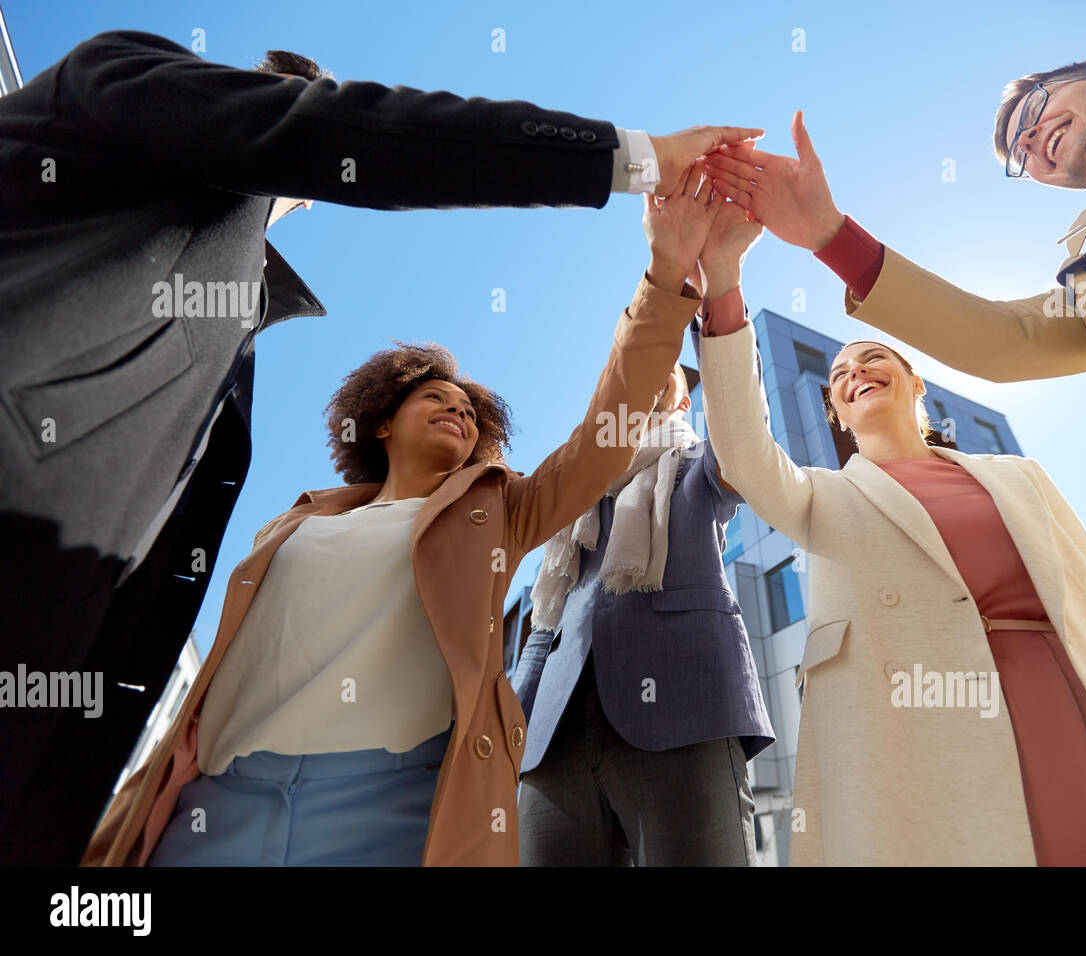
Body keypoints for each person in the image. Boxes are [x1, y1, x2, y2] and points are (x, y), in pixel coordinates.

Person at [0, 27, 761, 864]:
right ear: (378, 424)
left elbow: (605, 434)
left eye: (471, 411)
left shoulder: (498, 513)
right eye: (434, 398)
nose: (458, 412)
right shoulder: (288, 522)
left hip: (388, 809)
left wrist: (663, 277)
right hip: (216, 805)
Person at [701, 22, 1086, 728]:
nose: (1028, 143)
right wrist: (832, 235)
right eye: (1019, 152)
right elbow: (1001, 339)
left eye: (1036, 110)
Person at [693, 207, 1086, 866]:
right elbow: (745, 455)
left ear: (916, 381)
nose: (855, 373)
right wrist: (723, 283)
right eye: (840, 376)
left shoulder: (1021, 477)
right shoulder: (822, 497)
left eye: (873, 357)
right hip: (935, 732)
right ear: (834, 410)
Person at [512, 199, 774, 865]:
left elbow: (742, 443)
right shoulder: (571, 500)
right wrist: (508, 733)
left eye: (663, 381)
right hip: (553, 746)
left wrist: (719, 289)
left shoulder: (697, 468)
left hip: (685, 716)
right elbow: (541, 634)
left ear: (683, 398)